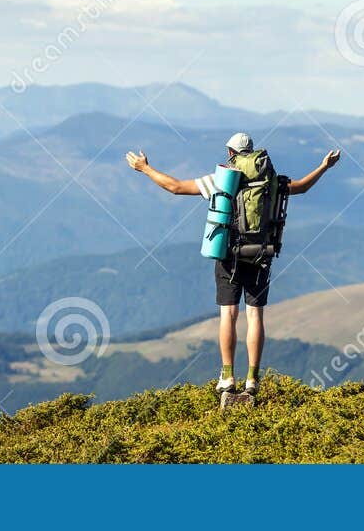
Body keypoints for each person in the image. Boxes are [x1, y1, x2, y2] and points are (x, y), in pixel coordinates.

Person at [125, 132, 341, 394]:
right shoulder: (271, 180)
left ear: (231, 154)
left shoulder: (223, 179)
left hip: (229, 254)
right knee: (255, 315)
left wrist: (145, 168)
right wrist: (324, 167)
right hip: (262, 253)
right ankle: (253, 378)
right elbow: (303, 187)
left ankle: (227, 376)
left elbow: (176, 187)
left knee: (228, 314)